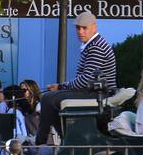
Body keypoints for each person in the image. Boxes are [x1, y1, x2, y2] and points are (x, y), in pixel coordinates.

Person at [35, 11, 116, 145]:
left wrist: (62, 86)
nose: (80, 31)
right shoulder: (92, 45)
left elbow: (86, 79)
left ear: (94, 27)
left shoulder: (96, 47)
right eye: (78, 28)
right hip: (94, 92)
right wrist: (61, 87)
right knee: (51, 98)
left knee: (48, 98)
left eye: (84, 28)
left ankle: (42, 142)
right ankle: (65, 138)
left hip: (99, 94)